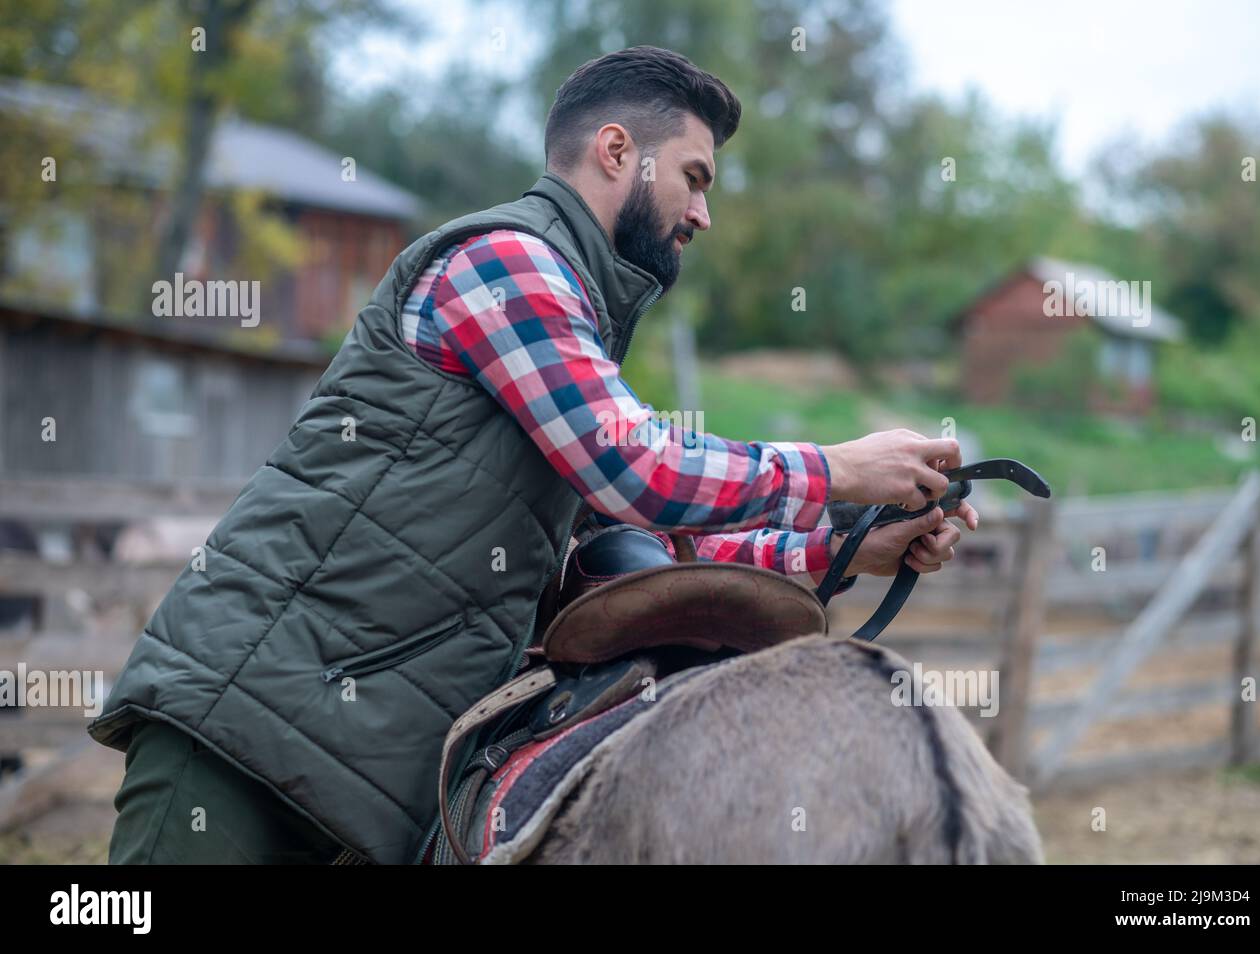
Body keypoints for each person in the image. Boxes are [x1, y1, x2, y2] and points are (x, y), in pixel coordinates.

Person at [92, 45, 976, 864]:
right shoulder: (507, 263)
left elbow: (643, 534)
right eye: (696, 178)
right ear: (618, 149)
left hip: (353, 769)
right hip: (241, 733)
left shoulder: (570, 323)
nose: (704, 213)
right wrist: (837, 471)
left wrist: (846, 546)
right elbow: (639, 472)